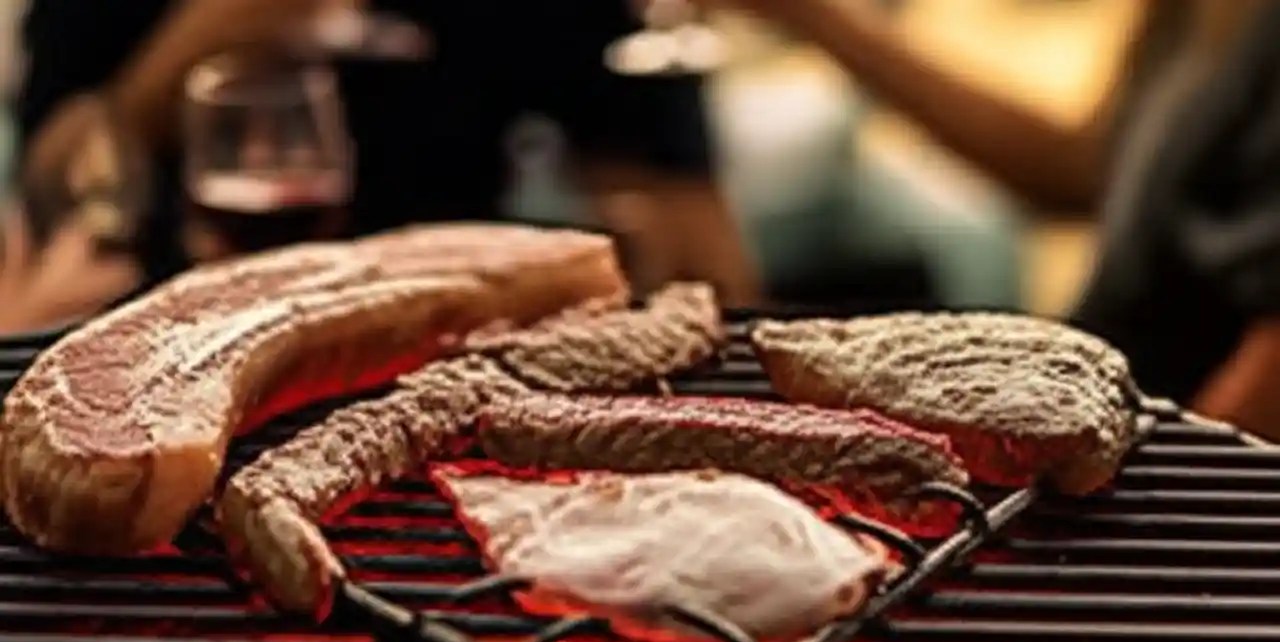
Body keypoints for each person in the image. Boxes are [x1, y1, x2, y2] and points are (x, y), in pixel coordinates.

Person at [703, 0, 1280, 438]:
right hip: (1105, 410)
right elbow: (1078, 173)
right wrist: (818, 19)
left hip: (1159, 449)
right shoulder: (1198, 15)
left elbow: (1263, 396)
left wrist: (1120, 511)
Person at [9, 0, 760, 327]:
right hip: (169, 346)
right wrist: (196, 45)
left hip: (446, 359)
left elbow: (705, 262)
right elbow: (47, 204)